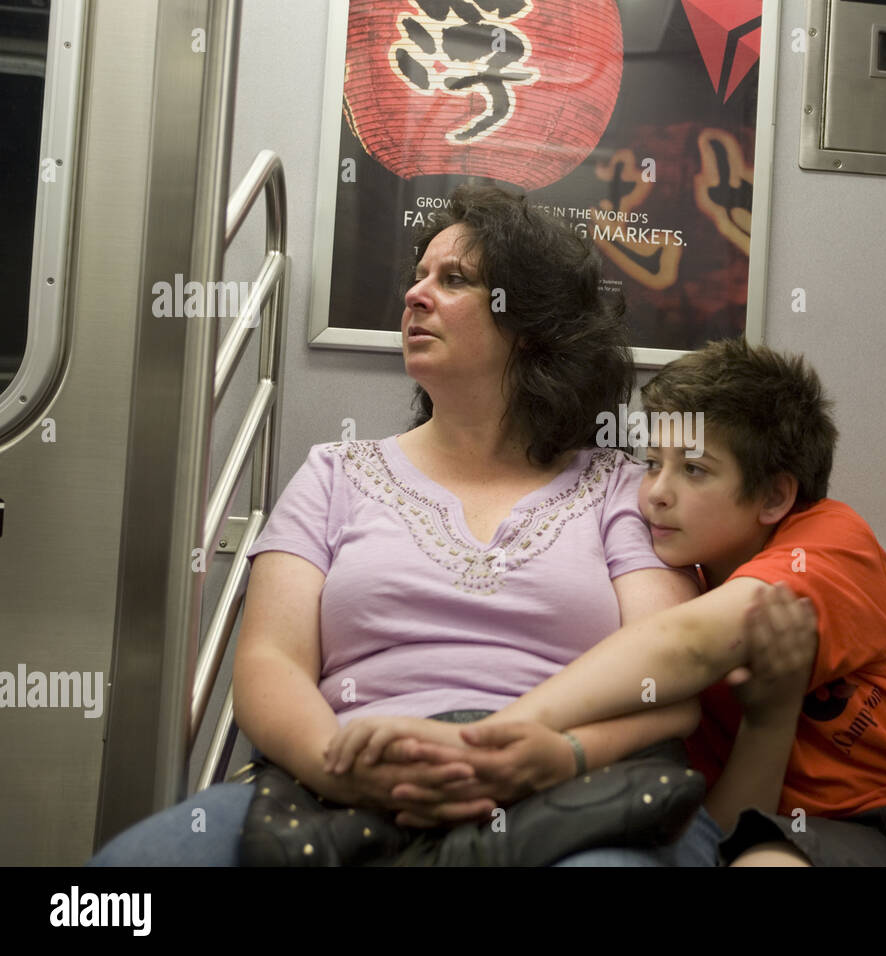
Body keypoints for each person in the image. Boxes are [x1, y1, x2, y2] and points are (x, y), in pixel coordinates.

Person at [88, 184, 732, 866]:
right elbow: (269, 664)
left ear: (534, 322)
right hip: (345, 777)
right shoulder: (336, 473)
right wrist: (339, 764)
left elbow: (665, 680)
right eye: (416, 277)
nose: (415, 296)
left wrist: (547, 754)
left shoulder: (623, 490)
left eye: (453, 279)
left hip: (573, 783)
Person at [333, 337, 886, 866]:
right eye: (651, 462)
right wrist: (769, 714)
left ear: (774, 495)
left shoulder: (828, 540)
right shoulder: (672, 586)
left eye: (694, 469)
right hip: (815, 828)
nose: (655, 492)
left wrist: (490, 738)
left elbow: (692, 644)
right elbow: (725, 826)